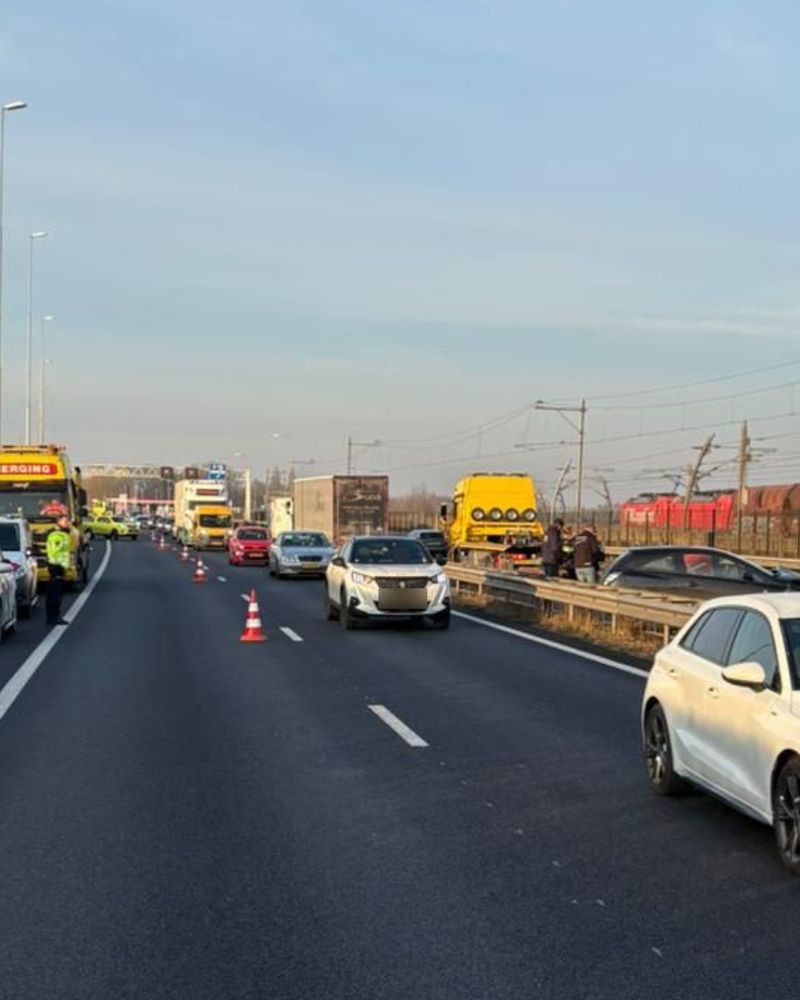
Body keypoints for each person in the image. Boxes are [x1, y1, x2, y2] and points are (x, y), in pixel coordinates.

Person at [46, 514, 72, 626]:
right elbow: (55, 552)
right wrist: (57, 567)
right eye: (65, 521)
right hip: (56, 567)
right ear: (59, 522)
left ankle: (53, 617)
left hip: (58, 567)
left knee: (55, 595)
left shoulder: (61, 534)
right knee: (55, 596)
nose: (67, 523)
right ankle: (53, 618)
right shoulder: (58, 535)